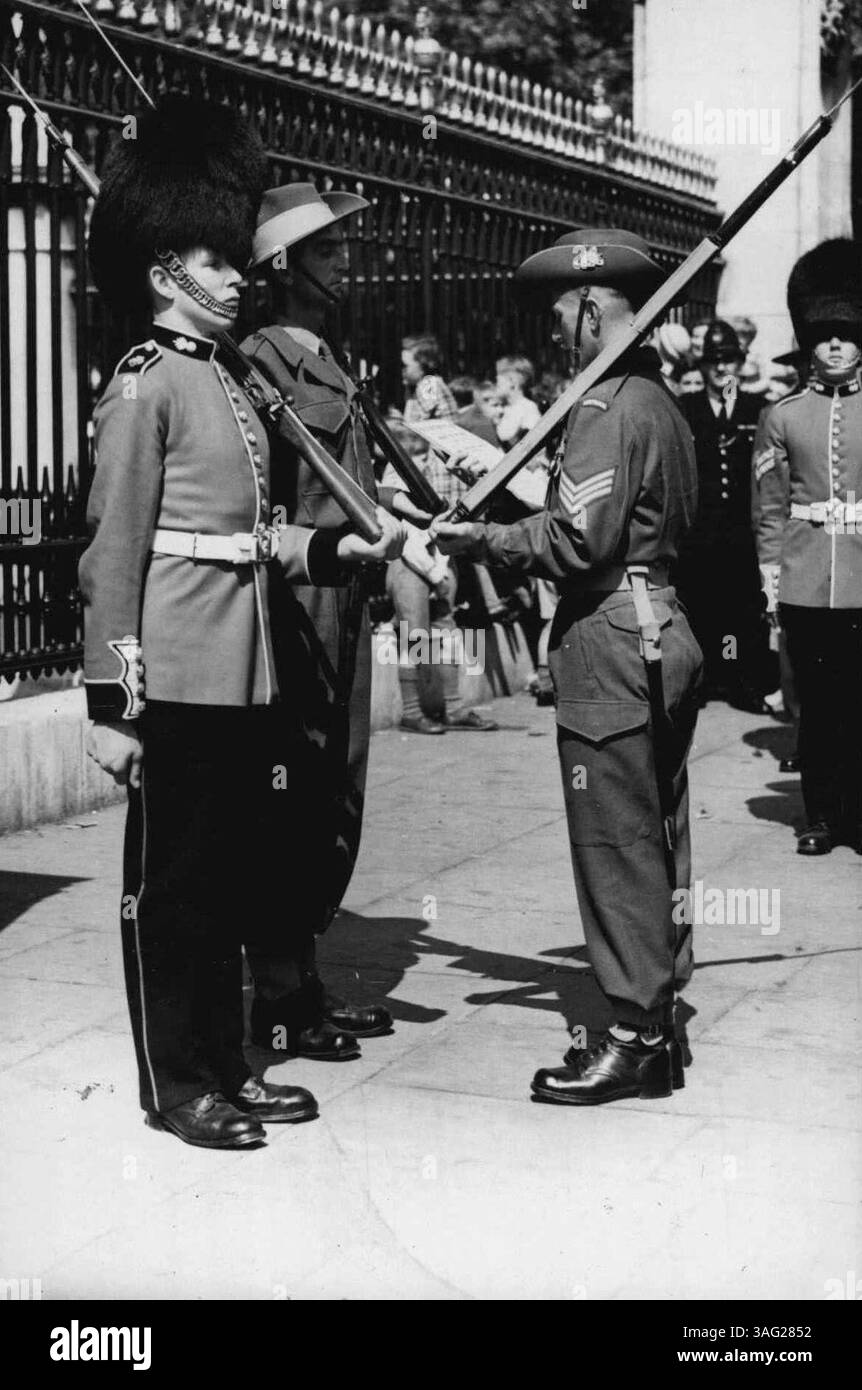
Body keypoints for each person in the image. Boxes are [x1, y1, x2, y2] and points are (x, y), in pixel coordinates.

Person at [82, 99, 402, 1150]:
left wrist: (336, 551)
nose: (237, 279)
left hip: (243, 672)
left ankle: (229, 1063)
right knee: (172, 898)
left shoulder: (226, 379)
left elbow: (255, 534)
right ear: (167, 267)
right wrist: (110, 702)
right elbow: (115, 552)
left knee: (223, 887)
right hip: (171, 677)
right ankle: (177, 1084)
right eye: (217, 264)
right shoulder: (145, 387)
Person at [433, 229, 703, 1105]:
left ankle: (633, 1035)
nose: (556, 332)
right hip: (662, 625)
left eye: (562, 314)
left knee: (615, 842)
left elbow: (574, 538)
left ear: (593, 309)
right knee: (658, 834)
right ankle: (659, 1011)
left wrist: (485, 539)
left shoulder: (606, 405)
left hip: (612, 641)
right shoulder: (658, 400)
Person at [240, 182, 413, 1059]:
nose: (346, 261)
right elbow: (261, 501)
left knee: (338, 788)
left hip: (347, 604)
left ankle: (301, 978)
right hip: (295, 606)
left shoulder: (330, 358)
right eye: (327, 251)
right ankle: (277, 994)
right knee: (293, 789)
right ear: (282, 265)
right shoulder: (260, 361)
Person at [755, 238, 862, 856]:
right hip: (803, 578)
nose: (835, 344)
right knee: (817, 708)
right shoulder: (783, 415)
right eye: (823, 335)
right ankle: (820, 815)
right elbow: (769, 506)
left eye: (846, 334)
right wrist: (771, 582)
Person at [385, 333, 498, 734]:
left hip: (433, 549)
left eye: (407, 361)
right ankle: (416, 710)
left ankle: (449, 706)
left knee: (442, 628)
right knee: (417, 630)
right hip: (415, 552)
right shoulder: (410, 450)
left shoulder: (426, 393)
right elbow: (393, 497)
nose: (404, 369)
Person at [674, 320, 775, 711]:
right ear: (701, 365)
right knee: (700, 605)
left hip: (740, 531)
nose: (721, 368)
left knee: (741, 609)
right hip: (700, 532)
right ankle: (702, 680)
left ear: (741, 362)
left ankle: (738, 680)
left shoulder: (756, 410)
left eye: (728, 359)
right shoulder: (687, 410)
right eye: (713, 360)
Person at [494, 355, 541, 448]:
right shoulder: (503, 409)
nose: (496, 384)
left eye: (498, 380)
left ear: (513, 382)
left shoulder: (528, 408)